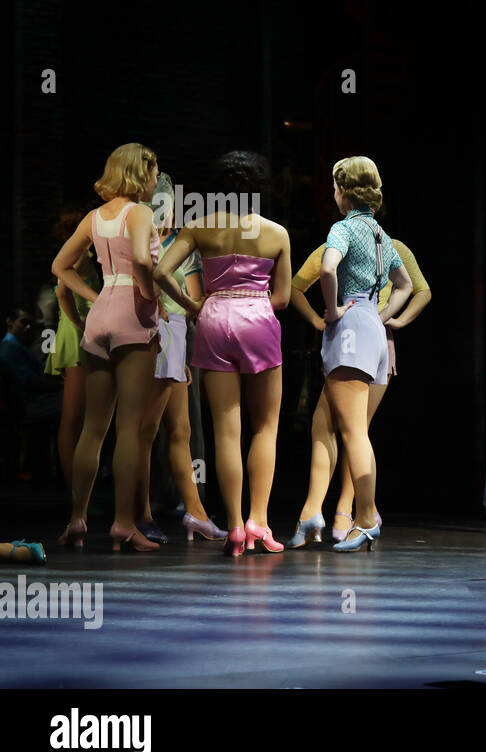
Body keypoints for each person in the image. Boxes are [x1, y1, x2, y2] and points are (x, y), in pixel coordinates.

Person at [154, 151, 291, 557]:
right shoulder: (277, 233)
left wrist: (194, 305)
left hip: (213, 320)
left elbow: (161, 271)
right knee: (265, 427)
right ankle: (258, 521)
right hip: (258, 318)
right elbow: (282, 298)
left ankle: (232, 525)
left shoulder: (199, 227)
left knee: (224, 430)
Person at [289, 156, 412, 553]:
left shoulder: (342, 229)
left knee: (353, 432)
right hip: (372, 328)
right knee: (323, 424)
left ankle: (365, 517)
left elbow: (327, 270)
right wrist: (381, 315)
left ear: (343, 191)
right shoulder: (380, 234)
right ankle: (312, 512)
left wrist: (332, 310)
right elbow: (405, 285)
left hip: (352, 326)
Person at [51, 142, 163, 552]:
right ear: (141, 172)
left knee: (92, 428)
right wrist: (152, 298)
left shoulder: (95, 217)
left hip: (100, 317)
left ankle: (77, 519)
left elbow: (60, 266)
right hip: (133, 316)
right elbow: (141, 260)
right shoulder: (140, 213)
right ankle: (123, 524)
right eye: (154, 173)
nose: (156, 181)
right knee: (129, 428)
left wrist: (91, 301)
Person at [288, 236, 431, 543]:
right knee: (350, 428)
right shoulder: (385, 245)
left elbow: (421, 291)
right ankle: (343, 512)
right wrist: (392, 320)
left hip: (353, 336)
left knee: (342, 428)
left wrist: (322, 318)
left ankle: (339, 511)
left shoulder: (343, 240)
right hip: (371, 338)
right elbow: (295, 286)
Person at [135, 172, 225, 544]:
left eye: (169, 206)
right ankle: (140, 511)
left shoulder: (178, 244)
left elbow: (191, 299)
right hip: (146, 332)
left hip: (174, 335)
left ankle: (194, 509)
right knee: (142, 431)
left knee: (183, 429)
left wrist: (184, 319)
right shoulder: (139, 239)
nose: (165, 214)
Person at [45, 208, 102, 488]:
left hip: (80, 334)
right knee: (73, 418)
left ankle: (80, 489)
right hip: (76, 336)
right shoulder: (79, 255)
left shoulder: (86, 255)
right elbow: (61, 291)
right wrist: (79, 323)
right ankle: (75, 490)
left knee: (81, 418)